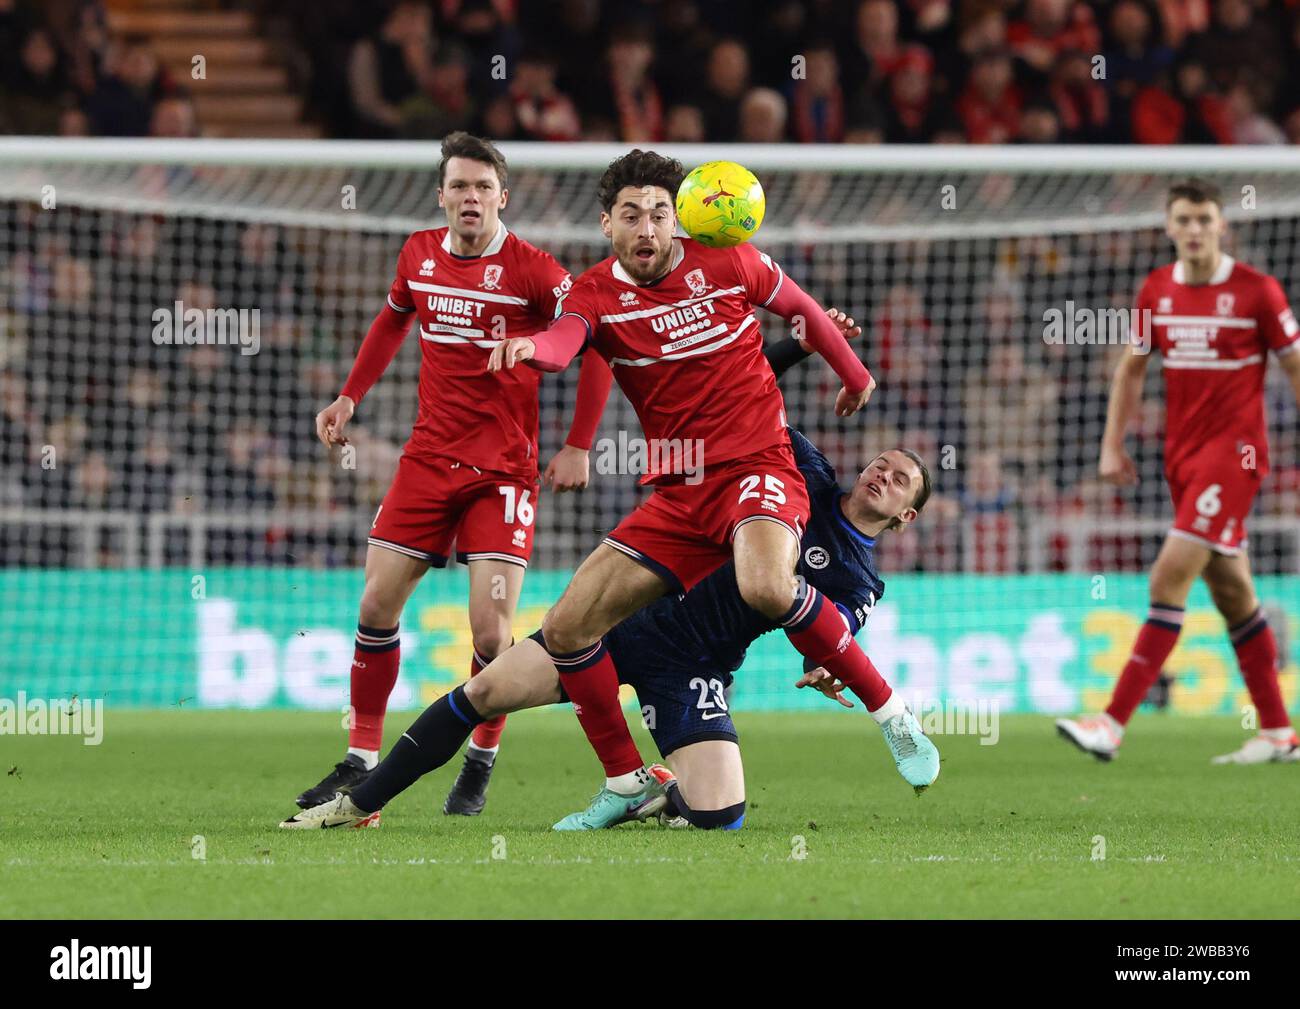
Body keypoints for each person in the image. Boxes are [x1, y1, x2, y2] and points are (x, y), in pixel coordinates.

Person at [281, 334, 939, 831]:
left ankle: (651, 795)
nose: (883, 473)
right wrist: (803, 341)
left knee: (723, 815)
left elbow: (832, 632)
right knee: (485, 689)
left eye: (900, 478)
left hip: (696, 665)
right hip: (624, 618)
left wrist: (828, 666)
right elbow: (747, 390)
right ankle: (358, 803)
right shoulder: (805, 471)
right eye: (882, 462)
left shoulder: (860, 579)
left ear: (906, 516)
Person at [296, 132, 613, 816]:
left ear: (504, 196)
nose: (471, 198)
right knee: (375, 605)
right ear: (442, 196)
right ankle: (360, 762)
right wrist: (350, 394)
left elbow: (596, 344)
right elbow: (390, 322)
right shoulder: (417, 253)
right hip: (427, 460)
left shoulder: (534, 270)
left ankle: (480, 758)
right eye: (460, 186)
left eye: (483, 187)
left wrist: (580, 443)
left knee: (492, 635)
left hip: (502, 470)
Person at [1057, 178, 1300, 764]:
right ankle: (1278, 732)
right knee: (1234, 593)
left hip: (1236, 456)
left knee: (1167, 581)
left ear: (1222, 225)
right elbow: (1132, 371)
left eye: (1204, 220)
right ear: (1169, 227)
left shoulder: (1257, 292)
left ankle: (1110, 725)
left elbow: (1294, 365)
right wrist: (1111, 447)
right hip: (1183, 460)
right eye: (1184, 220)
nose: (1194, 230)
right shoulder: (1157, 290)